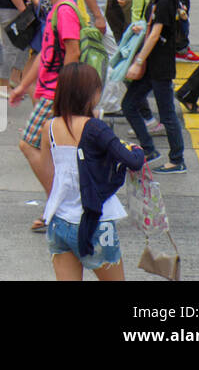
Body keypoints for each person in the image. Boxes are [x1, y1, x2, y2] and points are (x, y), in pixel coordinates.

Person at [43, 62, 146, 281]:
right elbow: (132, 160)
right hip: (97, 223)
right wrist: (137, 149)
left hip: (59, 220)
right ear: (91, 93)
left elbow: (49, 173)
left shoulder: (49, 127)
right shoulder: (95, 127)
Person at [10, 0, 82, 231]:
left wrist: (63, 92)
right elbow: (44, 54)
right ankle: (59, 205)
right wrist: (23, 86)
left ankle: (59, 206)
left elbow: (73, 51)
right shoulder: (54, 10)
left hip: (56, 93)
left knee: (29, 143)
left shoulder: (64, 11)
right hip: (50, 91)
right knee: (51, 151)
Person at [122, 0, 188, 173]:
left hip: (159, 66)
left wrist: (138, 61)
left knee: (167, 114)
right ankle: (149, 150)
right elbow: (152, 27)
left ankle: (177, 159)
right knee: (129, 104)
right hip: (151, 64)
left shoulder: (166, 1)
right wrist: (141, 28)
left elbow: (156, 34)